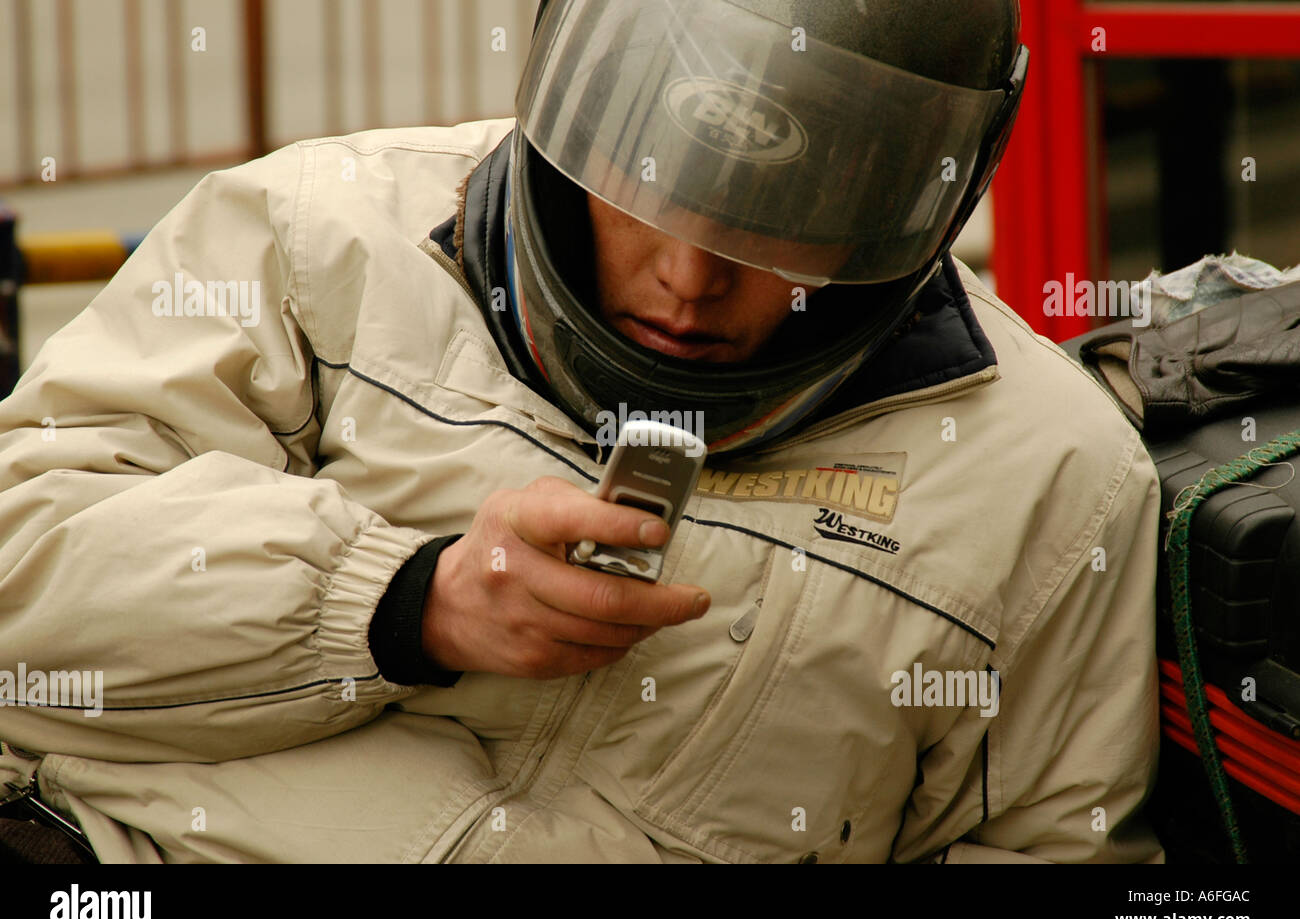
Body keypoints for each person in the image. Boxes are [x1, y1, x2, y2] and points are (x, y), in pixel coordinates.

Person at [0, 0, 1163, 863]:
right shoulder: (319, 238)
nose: (689, 280)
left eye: (779, 233)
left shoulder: (1050, 475)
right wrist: (407, 603)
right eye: (646, 195)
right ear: (577, 111)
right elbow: (24, 566)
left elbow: (1054, 850)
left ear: (912, 203)